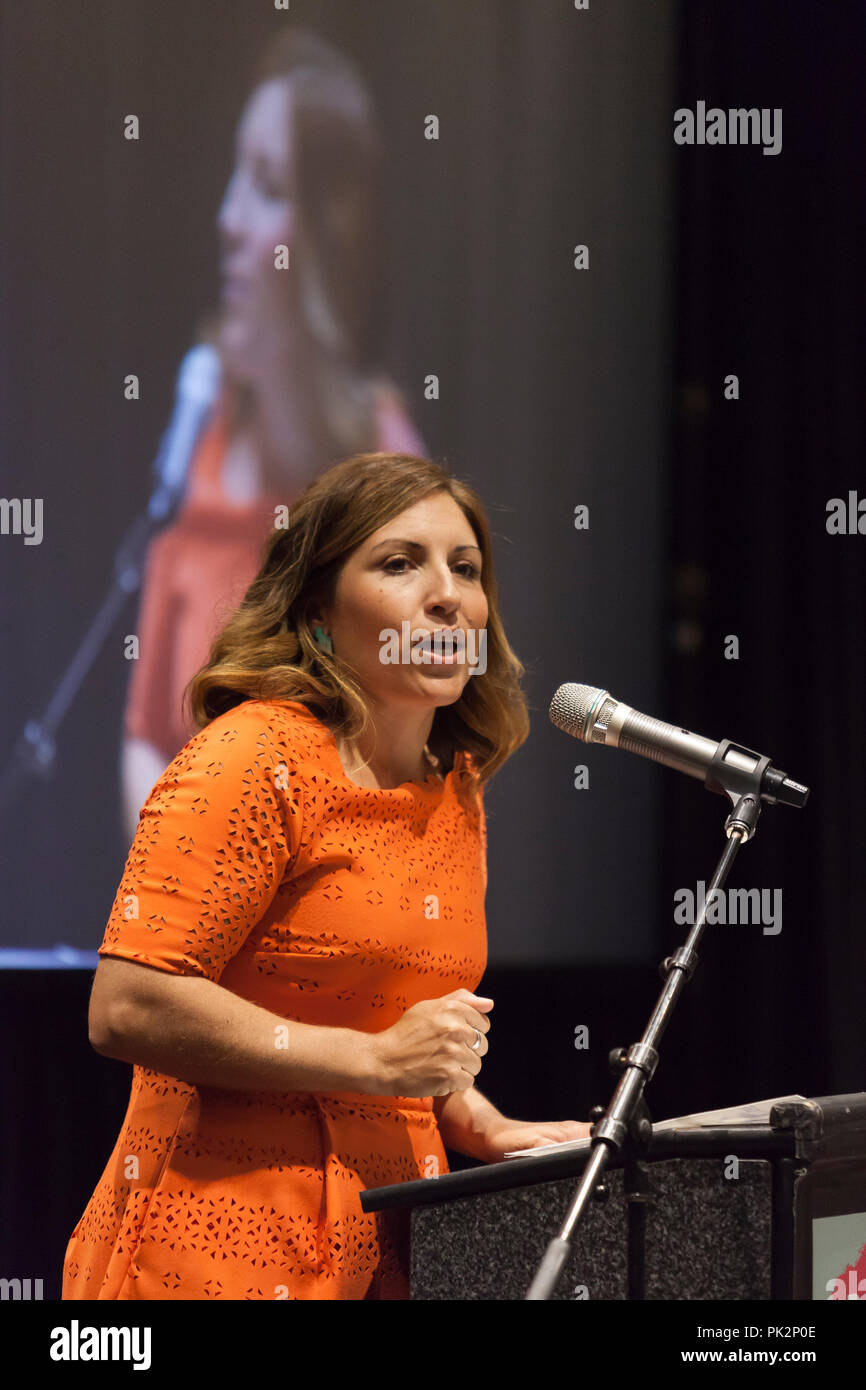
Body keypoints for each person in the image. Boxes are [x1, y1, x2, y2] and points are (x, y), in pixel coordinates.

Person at [63, 451, 592, 1301]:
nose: (447, 593)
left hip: (385, 1237)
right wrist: (374, 1061)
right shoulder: (253, 757)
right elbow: (128, 1005)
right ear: (317, 611)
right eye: (398, 563)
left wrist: (484, 1126)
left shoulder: (454, 787)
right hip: (215, 1250)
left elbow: (389, 1018)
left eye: (466, 567)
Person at [123, 27, 425, 841]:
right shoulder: (205, 437)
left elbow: (408, 761)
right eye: (233, 177)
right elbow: (149, 733)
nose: (226, 218)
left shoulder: (393, 480)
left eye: (266, 185)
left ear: (329, 234)